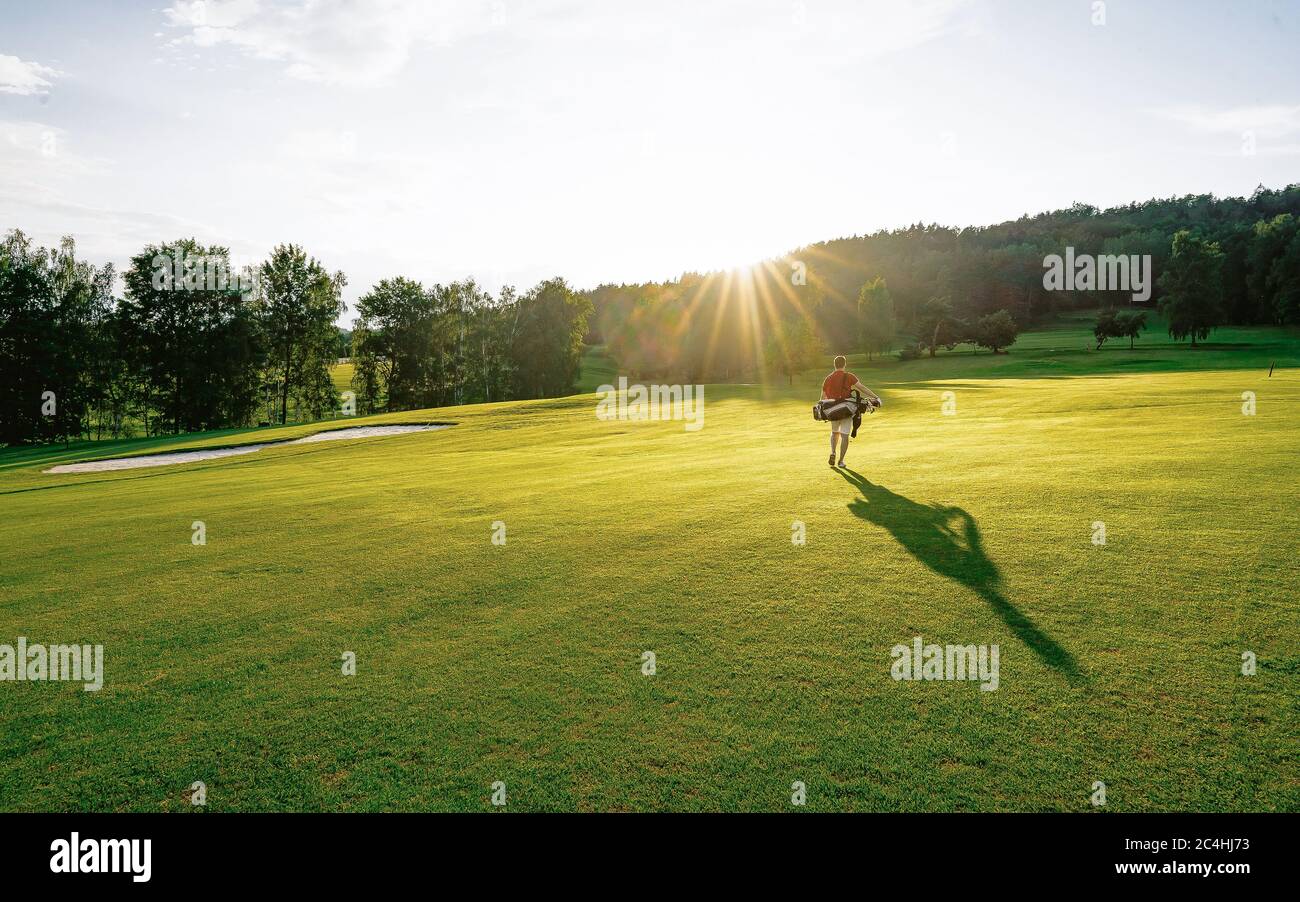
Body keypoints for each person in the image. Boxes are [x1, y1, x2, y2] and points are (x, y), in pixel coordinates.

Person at [821, 355, 880, 467]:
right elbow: (861, 388)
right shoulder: (849, 376)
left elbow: (823, 398)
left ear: (834, 365)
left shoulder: (828, 378)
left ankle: (833, 452)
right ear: (845, 364)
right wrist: (875, 397)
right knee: (844, 435)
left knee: (834, 433)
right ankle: (841, 461)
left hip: (833, 411)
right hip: (846, 410)